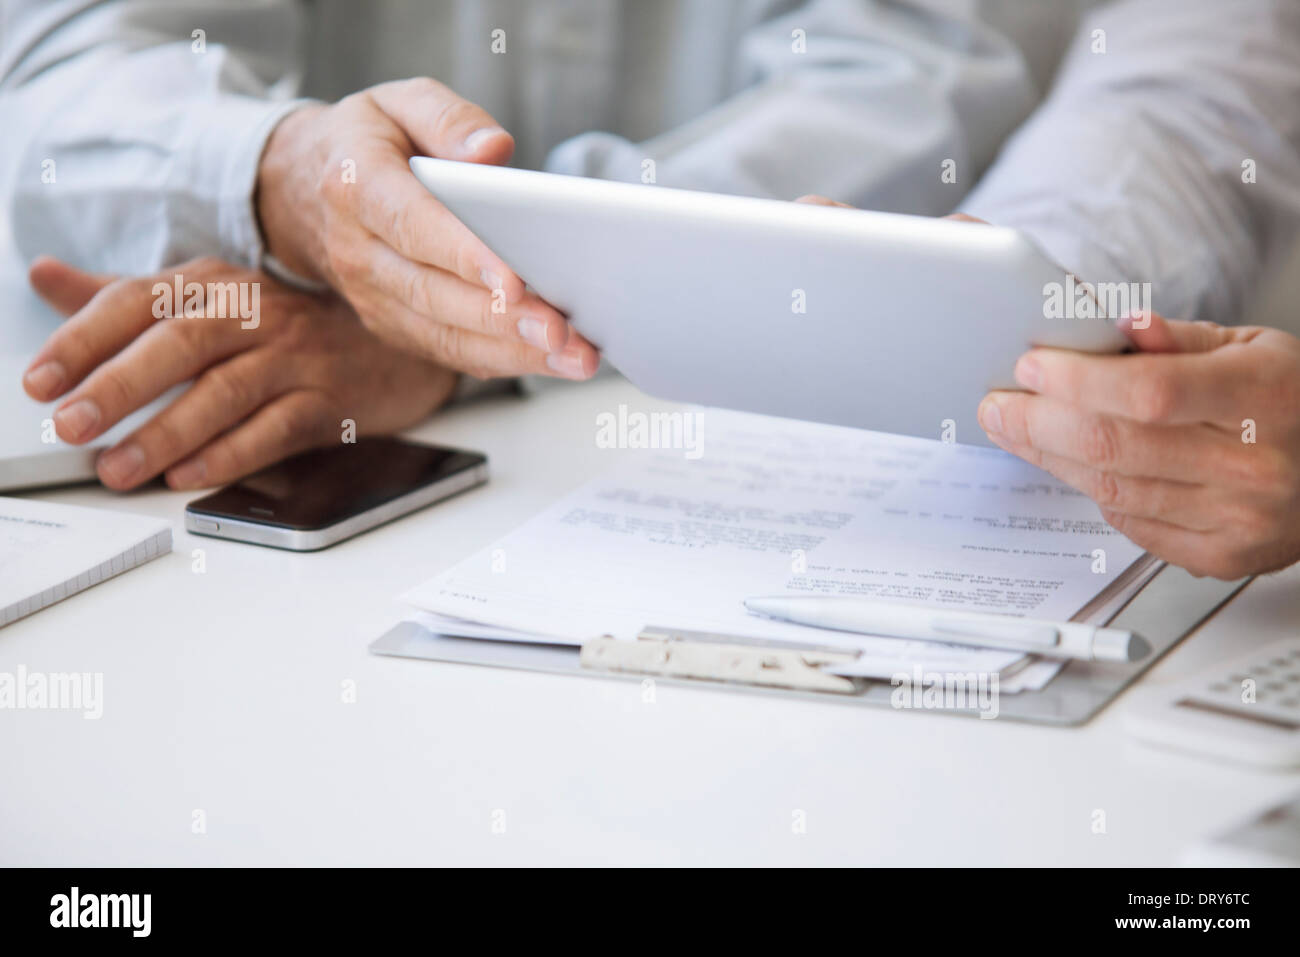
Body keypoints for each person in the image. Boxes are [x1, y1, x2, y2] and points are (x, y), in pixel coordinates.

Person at [4, 0, 1300, 578]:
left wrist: (445, 292)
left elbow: (912, 81)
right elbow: (58, 63)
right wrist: (289, 179)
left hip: (709, 459)